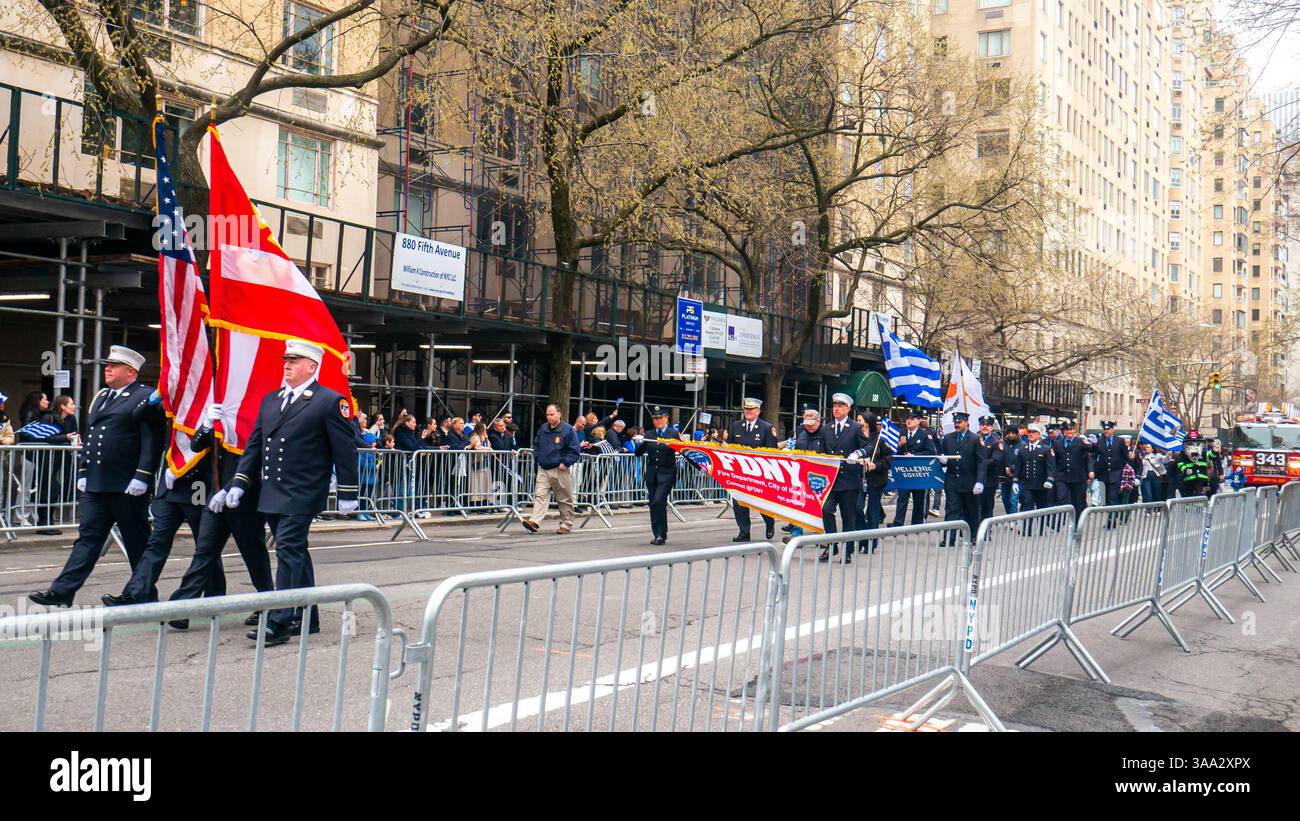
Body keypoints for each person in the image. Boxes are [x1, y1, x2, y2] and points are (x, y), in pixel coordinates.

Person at [224, 340, 360, 646]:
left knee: (287, 548)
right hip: (273, 490)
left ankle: (280, 620)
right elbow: (256, 445)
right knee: (296, 551)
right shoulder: (272, 400)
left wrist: (348, 491)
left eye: (294, 361)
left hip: (304, 491)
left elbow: (345, 449)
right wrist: (240, 481)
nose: (286, 365)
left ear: (312, 367)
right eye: (286, 360)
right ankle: (308, 616)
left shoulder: (328, 400)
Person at [29, 346, 161, 607]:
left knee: (136, 542)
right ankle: (62, 591)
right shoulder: (102, 396)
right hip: (98, 482)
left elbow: (152, 440)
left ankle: (142, 593)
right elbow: (92, 436)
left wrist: (143, 475)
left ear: (131, 371)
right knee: (88, 537)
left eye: (115, 365)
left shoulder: (145, 397)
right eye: (107, 364)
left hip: (126, 484)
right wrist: (84, 470)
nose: (108, 368)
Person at [102, 393, 226, 606]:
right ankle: (136, 592)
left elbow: (208, 448)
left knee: (205, 547)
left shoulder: (211, 400)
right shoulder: (178, 399)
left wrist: (182, 471)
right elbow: (140, 413)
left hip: (198, 484)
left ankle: (212, 597)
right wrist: (155, 396)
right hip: (170, 486)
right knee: (157, 542)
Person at [820, 393, 868, 563]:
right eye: (834, 406)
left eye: (840, 406)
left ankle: (847, 550)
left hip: (848, 480)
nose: (836, 409)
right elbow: (822, 451)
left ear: (847, 409)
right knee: (826, 510)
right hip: (831, 481)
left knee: (848, 517)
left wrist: (858, 453)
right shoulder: (827, 428)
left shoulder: (855, 427)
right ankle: (832, 544)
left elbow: (867, 446)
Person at [522, 403, 581, 534]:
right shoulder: (543, 428)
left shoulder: (568, 430)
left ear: (559, 414)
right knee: (540, 495)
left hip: (560, 469)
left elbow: (575, 450)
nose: (549, 417)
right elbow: (536, 445)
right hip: (544, 468)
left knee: (564, 498)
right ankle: (534, 521)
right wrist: (538, 457)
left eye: (552, 414)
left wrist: (565, 463)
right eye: (547, 414)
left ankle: (566, 524)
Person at [729, 397, 779, 542]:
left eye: (751, 409)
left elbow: (772, 452)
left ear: (758, 411)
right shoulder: (736, 426)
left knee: (761, 504)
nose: (748, 412)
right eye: (746, 409)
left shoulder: (767, 428)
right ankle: (744, 532)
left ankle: (769, 523)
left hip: (759, 473)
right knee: (739, 503)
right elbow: (730, 448)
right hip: (740, 473)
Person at [939, 412, 989, 545]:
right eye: (955, 421)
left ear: (966, 423)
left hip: (969, 481)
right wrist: (943, 461)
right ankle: (949, 538)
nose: (957, 423)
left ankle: (973, 536)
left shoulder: (975, 439)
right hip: (952, 481)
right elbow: (943, 456)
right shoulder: (948, 438)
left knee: (971, 510)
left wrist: (979, 481)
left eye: (959, 421)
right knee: (951, 510)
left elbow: (981, 462)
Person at [634, 405, 678, 545]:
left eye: (660, 418)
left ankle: (661, 533)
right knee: (654, 503)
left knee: (659, 500)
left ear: (666, 418)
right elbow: (638, 453)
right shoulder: (649, 434)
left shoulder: (673, 433)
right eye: (655, 418)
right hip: (652, 474)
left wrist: (700, 464)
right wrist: (640, 443)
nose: (658, 420)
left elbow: (683, 450)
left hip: (667, 474)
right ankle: (658, 534)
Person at [890, 409, 937, 526]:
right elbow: (892, 451)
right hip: (905, 470)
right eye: (908, 418)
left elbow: (931, 452)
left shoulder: (925, 435)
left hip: (918, 471)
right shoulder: (902, 433)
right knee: (902, 497)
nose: (909, 421)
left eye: (912, 418)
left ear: (918, 421)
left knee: (918, 498)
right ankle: (898, 522)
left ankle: (917, 522)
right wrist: (900, 445)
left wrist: (915, 455)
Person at [858, 415, 893, 553]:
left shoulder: (881, 439)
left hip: (876, 480)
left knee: (872, 512)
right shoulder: (857, 436)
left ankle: (872, 542)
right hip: (859, 479)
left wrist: (876, 465)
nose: (858, 422)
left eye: (861, 420)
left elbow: (889, 459)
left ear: (868, 423)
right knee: (857, 508)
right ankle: (862, 538)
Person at [1011, 423, 1056, 517]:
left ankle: (1041, 530)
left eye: (1034, 432)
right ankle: (1027, 530)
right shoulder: (1023, 449)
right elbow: (1018, 467)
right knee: (1027, 508)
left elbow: (1050, 467)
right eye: (1029, 432)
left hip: (1041, 485)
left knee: (1042, 509)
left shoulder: (1046, 449)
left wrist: (1049, 479)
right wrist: (1015, 481)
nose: (1031, 434)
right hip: (1026, 484)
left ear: (1039, 434)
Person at [1050, 420, 1090, 516]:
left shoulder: (1080, 442)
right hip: (1062, 476)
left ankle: (1076, 525)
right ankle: (1060, 521)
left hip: (1077, 477)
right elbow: (1053, 459)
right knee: (1061, 498)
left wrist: (1088, 444)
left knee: (1077, 502)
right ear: (1063, 431)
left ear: (1074, 430)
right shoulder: (1057, 443)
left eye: (1071, 429)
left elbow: (1092, 451)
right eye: (1067, 430)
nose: (1069, 432)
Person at [1086, 420, 1130, 506]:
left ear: (1113, 430)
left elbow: (1125, 457)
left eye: (1108, 429)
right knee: (1104, 499)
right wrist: (1091, 470)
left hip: (1116, 474)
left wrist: (1119, 467)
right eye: (1105, 429)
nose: (1106, 431)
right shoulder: (1099, 441)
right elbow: (1093, 457)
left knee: (1112, 498)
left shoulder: (1120, 441)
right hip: (1103, 475)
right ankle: (1108, 516)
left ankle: (1111, 518)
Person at [976, 415, 1005, 524]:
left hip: (989, 480)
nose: (985, 427)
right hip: (975, 479)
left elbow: (996, 460)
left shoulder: (996, 441)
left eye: (987, 425)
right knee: (974, 506)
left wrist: (979, 463)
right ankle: (974, 530)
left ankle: (986, 530)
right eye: (983, 425)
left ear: (991, 427)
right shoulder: (974, 438)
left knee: (987, 507)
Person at [1172, 431, 1211, 497]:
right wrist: (1186, 470)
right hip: (1187, 479)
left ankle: (1198, 506)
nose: (1194, 447)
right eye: (1190, 444)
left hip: (1200, 478)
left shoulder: (1204, 453)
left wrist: (1215, 451)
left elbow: (1211, 456)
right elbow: (1180, 464)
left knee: (1198, 495)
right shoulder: (1183, 454)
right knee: (1188, 497)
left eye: (1197, 443)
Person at [1000, 426, 1022, 515]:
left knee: (1013, 499)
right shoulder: (1002, 444)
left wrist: (1011, 469)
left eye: (1013, 433)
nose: (1011, 435)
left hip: (1016, 476)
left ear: (1017, 434)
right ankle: (1009, 516)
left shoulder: (1022, 445)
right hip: (1004, 476)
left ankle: (1013, 519)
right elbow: (998, 458)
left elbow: (1021, 461)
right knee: (1005, 498)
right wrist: (1004, 469)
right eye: (1009, 433)